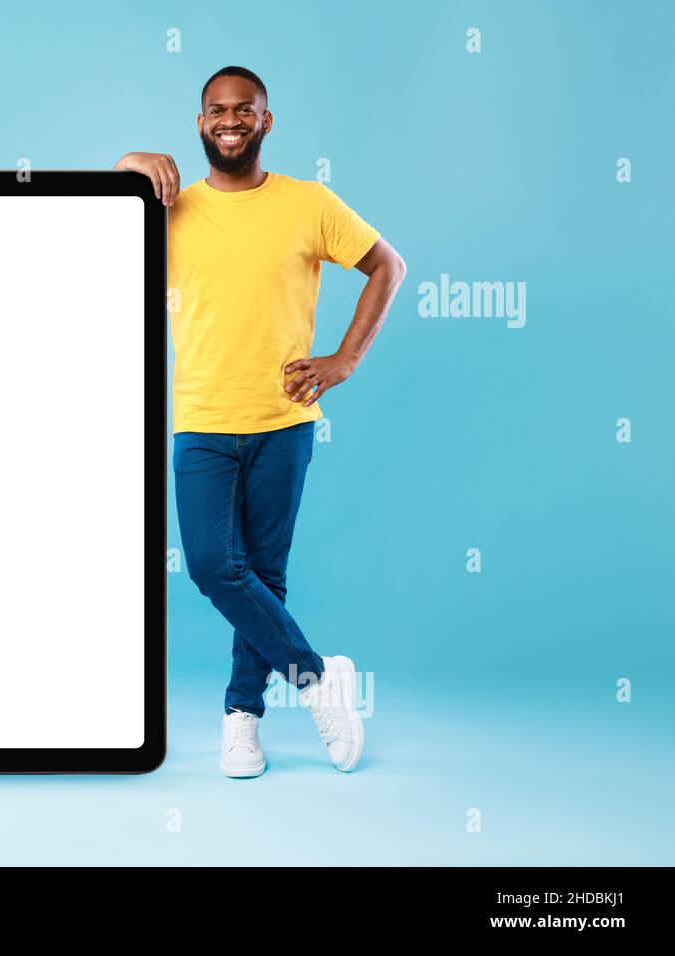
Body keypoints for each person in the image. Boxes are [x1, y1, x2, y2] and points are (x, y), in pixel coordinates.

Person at [117, 66, 406, 777]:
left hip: (284, 421)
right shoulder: (171, 210)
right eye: (216, 109)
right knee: (216, 567)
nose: (230, 119)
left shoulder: (307, 203)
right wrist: (123, 167)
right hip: (203, 421)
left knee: (264, 575)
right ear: (199, 122)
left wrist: (345, 360)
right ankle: (315, 677)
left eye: (244, 109)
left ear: (266, 121)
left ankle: (241, 718)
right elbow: (89, 226)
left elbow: (387, 266)